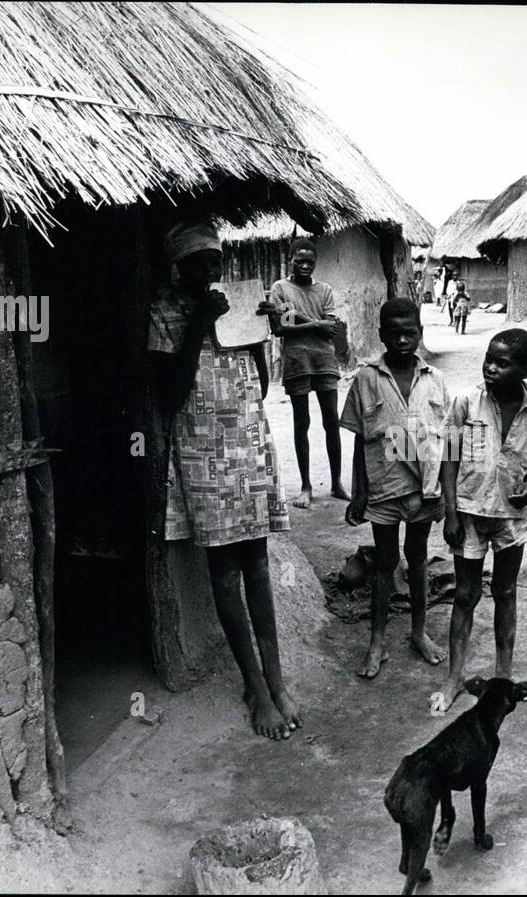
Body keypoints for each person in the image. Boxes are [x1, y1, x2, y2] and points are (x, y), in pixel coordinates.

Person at [149, 221, 300, 740]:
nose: (213, 272)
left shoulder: (232, 304)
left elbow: (258, 378)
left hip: (248, 444)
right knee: (224, 569)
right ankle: (255, 687)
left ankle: (277, 680)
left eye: (217, 262)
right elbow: (168, 395)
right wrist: (199, 325)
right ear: (180, 267)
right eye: (202, 264)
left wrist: (255, 331)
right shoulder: (164, 312)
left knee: (257, 561)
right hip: (201, 451)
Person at [432, 329, 527, 715]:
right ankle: (453, 680)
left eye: (502, 363)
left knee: (506, 592)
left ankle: (502, 677)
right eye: (489, 358)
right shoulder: (466, 401)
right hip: (468, 513)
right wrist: (450, 511)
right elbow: (448, 455)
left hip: (511, 518)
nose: (491, 368)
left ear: (525, 369)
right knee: (465, 594)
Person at [341, 298, 450, 679]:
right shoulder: (366, 379)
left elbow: (446, 442)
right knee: (385, 563)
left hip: (424, 490)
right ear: (381, 334)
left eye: (411, 331)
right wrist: (358, 492)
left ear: (421, 332)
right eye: (395, 332)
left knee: (417, 559)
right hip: (383, 487)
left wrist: (448, 500)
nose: (403, 338)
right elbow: (359, 441)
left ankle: (418, 633)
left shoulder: (434, 380)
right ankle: (377, 641)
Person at [259, 238, 349, 509]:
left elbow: (331, 329)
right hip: (297, 361)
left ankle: (336, 483)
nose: (306, 266)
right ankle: (306, 486)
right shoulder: (280, 288)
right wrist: (315, 323)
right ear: (291, 260)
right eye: (300, 261)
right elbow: (279, 330)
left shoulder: (325, 290)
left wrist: (298, 317)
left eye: (310, 261)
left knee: (331, 421)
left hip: (324, 360)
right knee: (302, 423)